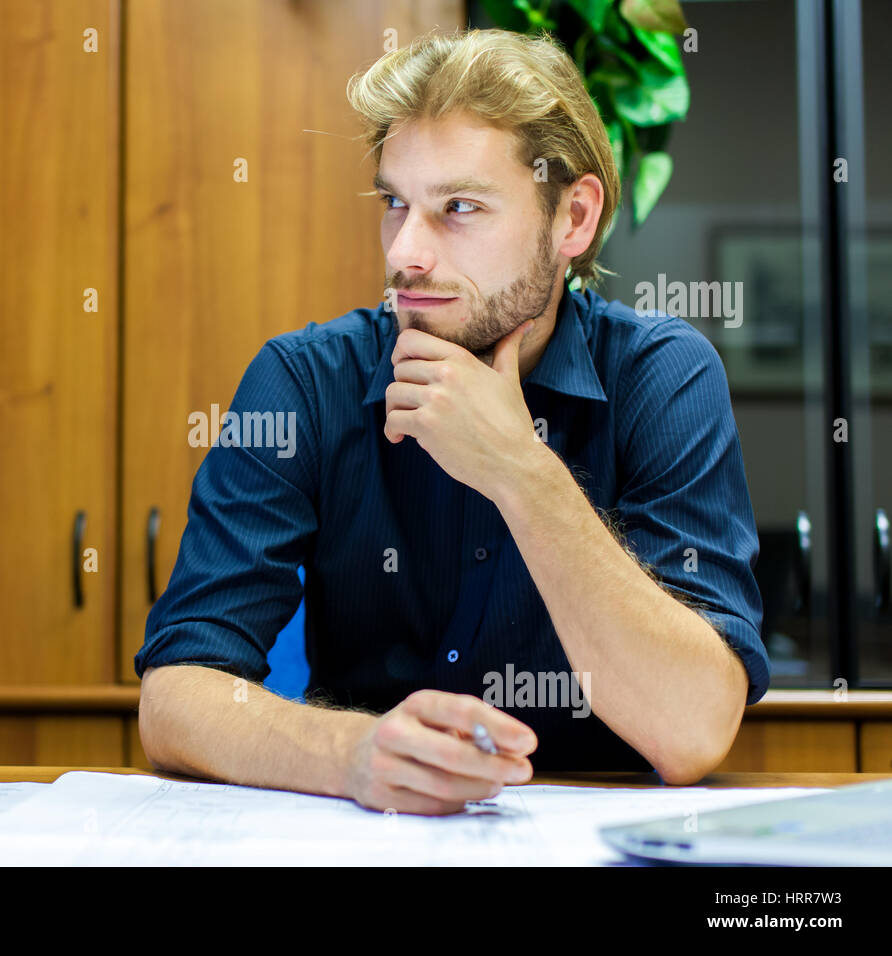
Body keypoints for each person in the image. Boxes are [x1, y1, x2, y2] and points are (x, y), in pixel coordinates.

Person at [135, 27, 768, 815]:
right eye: (395, 202)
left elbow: (694, 729)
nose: (406, 252)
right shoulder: (305, 381)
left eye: (458, 207)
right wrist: (354, 753)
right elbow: (175, 698)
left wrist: (518, 469)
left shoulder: (661, 378)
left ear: (573, 217)